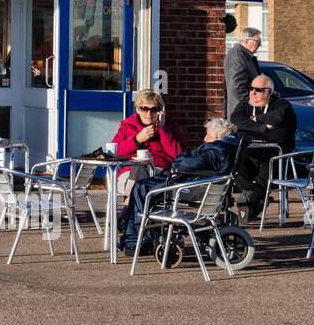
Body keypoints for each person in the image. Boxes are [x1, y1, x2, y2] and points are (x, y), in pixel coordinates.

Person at [122, 118, 240, 253]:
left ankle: (136, 241)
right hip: (194, 182)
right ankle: (142, 237)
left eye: (207, 134)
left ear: (217, 135)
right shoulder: (226, 147)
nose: (205, 138)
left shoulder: (217, 149)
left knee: (141, 188)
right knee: (144, 186)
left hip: (190, 187)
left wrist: (178, 160)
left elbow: (185, 162)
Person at [228, 73, 297, 208]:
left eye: (258, 90)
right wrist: (264, 127)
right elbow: (237, 121)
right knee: (232, 165)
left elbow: (279, 120)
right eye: (251, 88)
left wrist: (256, 119)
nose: (253, 93)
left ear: (269, 92)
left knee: (265, 175)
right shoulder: (244, 105)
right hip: (250, 153)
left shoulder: (282, 105)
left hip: (274, 155)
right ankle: (254, 195)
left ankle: (252, 204)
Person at [112, 89, 185, 204]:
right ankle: (134, 208)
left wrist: (162, 130)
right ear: (137, 109)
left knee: (145, 173)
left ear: (160, 111)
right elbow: (115, 152)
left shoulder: (169, 126)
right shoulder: (127, 126)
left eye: (153, 109)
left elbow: (179, 155)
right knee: (140, 167)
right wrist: (137, 140)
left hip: (158, 171)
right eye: (144, 108)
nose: (148, 114)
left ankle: (128, 207)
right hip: (130, 171)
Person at [224, 27, 262, 114]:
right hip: (243, 114)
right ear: (246, 41)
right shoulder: (238, 56)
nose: (260, 45)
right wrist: (255, 102)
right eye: (258, 41)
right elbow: (237, 87)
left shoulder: (244, 56)